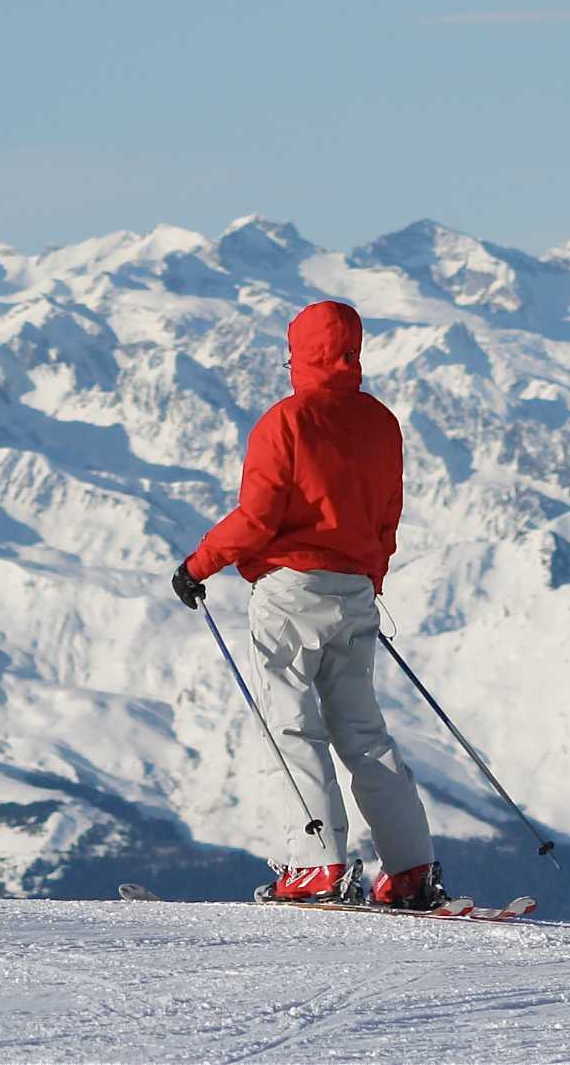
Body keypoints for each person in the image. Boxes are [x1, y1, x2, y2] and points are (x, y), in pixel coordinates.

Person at [171, 299, 446, 908]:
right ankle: (409, 869)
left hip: (291, 591)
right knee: (364, 731)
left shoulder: (287, 421)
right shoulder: (381, 422)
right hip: (354, 591)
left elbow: (258, 517)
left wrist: (198, 565)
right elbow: (386, 518)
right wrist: (369, 577)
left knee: (293, 724)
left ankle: (317, 864)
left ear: (299, 351)